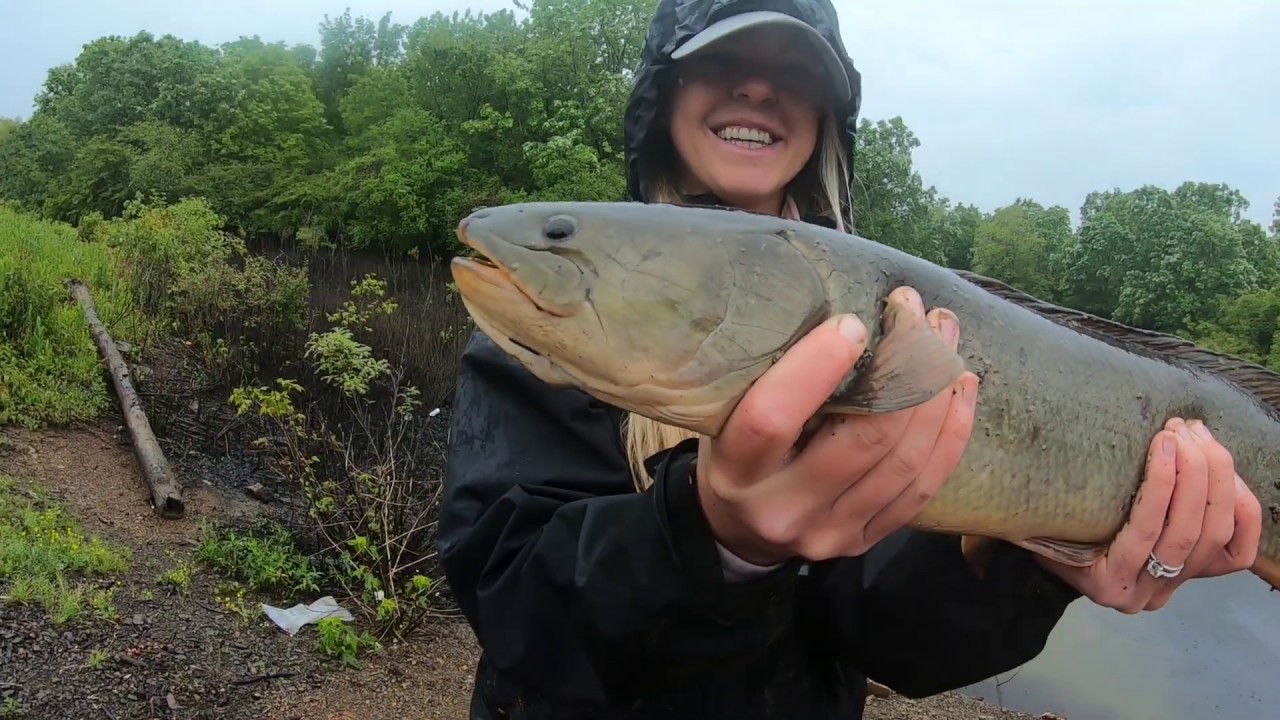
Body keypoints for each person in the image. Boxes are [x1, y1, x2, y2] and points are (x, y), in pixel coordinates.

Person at [436, 1, 1265, 718]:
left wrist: (1045, 566)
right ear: (663, 94)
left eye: (789, 70)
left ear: (827, 114)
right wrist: (715, 536)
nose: (755, 87)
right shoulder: (539, 343)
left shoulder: (898, 325)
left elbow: (895, 642)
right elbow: (514, 607)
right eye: (719, 60)